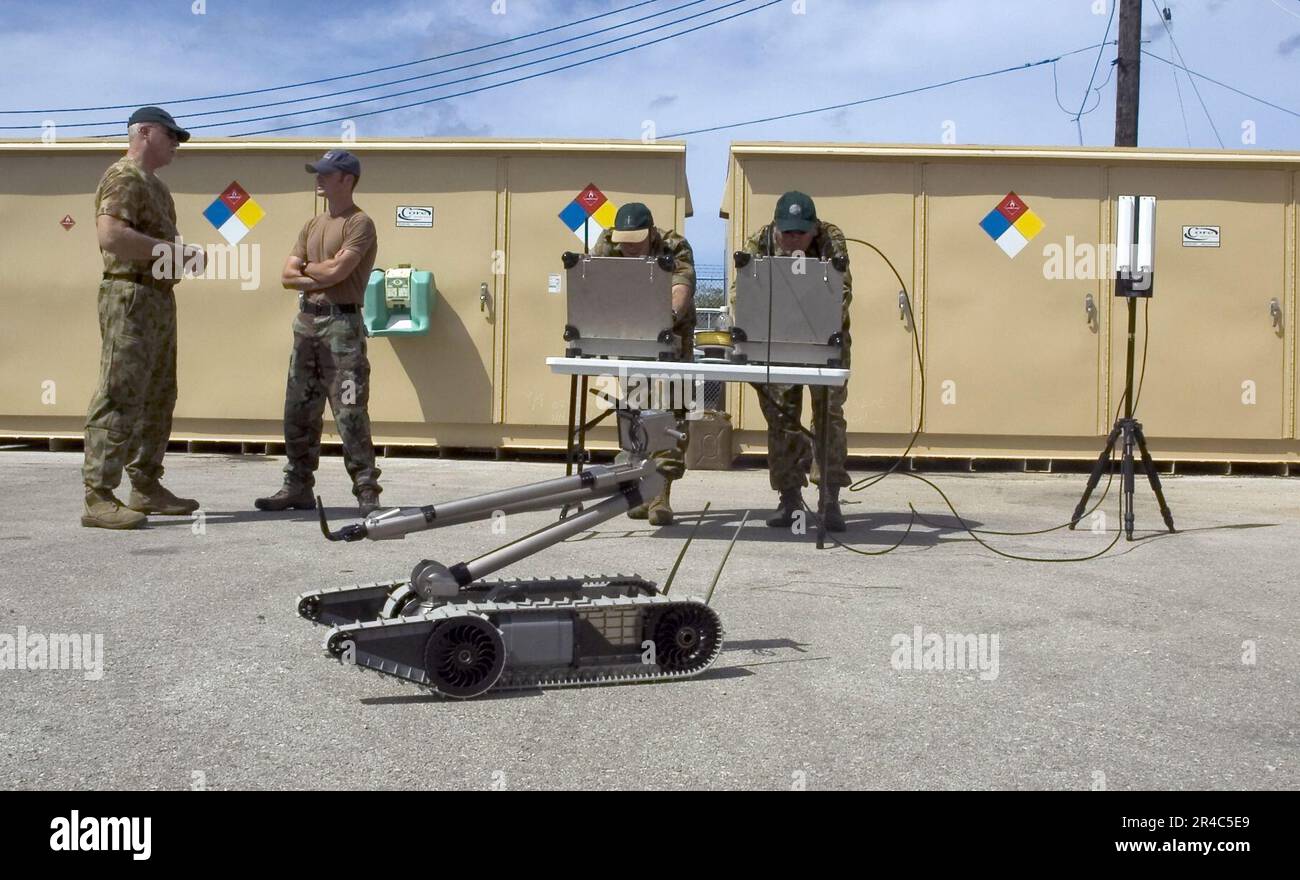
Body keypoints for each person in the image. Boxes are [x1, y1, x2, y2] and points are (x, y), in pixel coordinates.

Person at [82, 106, 205, 530]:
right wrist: (171, 252)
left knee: (159, 394)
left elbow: (152, 244)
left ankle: (145, 485)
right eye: (171, 135)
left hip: (157, 299)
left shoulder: (159, 188)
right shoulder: (124, 176)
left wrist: (181, 259)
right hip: (129, 296)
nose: (175, 144)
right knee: (119, 392)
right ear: (145, 132)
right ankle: (99, 496)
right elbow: (111, 236)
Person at [255, 150, 382, 515]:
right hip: (306, 324)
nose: (319, 179)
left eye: (326, 174)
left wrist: (308, 271)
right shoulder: (312, 225)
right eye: (318, 173)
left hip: (342, 326)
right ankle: (297, 486)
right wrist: (317, 270)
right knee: (299, 408)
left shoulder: (360, 223)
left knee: (349, 409)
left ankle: (367, 492)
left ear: (346, 179)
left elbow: (336, 274)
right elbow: (285, 276)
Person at [739, 191, 852, 532]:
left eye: (799, 234)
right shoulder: (760, 240)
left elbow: (842, 292)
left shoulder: (831, 239)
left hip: (825, 340)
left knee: (828, 418)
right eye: (786, 233)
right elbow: (742, 290)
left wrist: (812, 316)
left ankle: (829, 499)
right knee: (781, 419)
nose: (792, 240)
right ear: (775, 228)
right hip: (776, 341)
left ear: (813, 230)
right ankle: (789, 500)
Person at [591, 202, 696, 525]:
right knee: (633, 411)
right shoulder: (607, 244)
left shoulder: (674, 244)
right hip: (628, 339)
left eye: (636, 240)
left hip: (671, 339)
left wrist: (665, 320)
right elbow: (595, 285)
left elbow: (681, 287)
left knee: (670, 413)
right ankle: (637, 489)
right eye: (625, 241)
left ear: (651, 233)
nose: (630, 247)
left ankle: (660, 492)